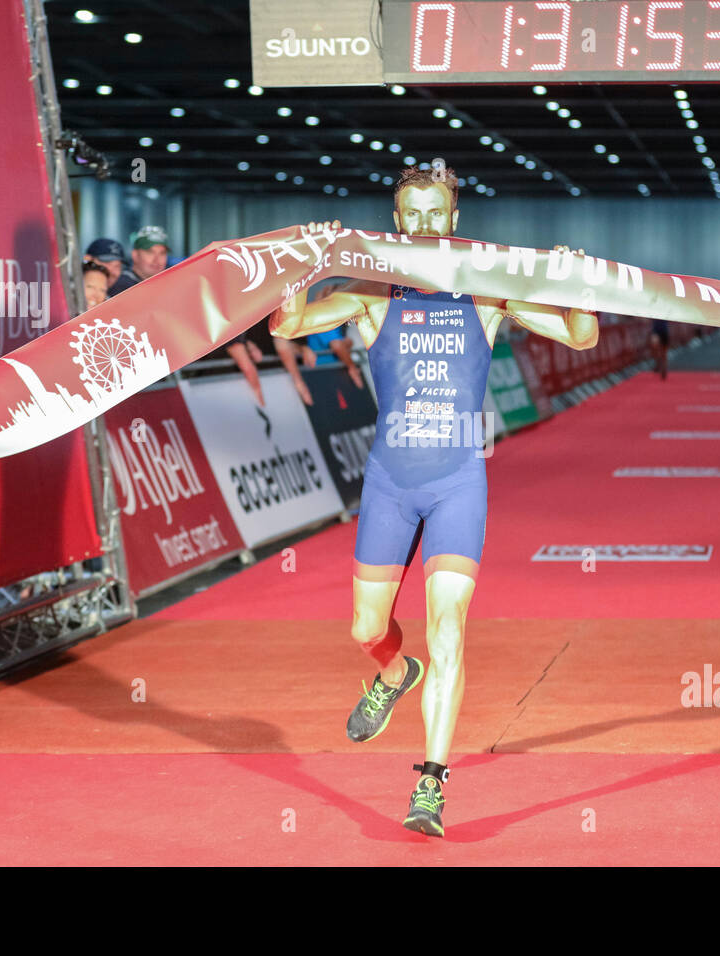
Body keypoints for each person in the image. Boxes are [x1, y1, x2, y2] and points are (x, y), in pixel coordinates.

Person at [270, 160, 598, 837]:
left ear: (454, 221)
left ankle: (430, 785)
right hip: (390, 482)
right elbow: (287, 325)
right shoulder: (373, 293)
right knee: (366, 629)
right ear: (398, 222)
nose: (423, 225)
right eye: (411, 213)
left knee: (449, 627)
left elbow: (579, 334)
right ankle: (395, 671)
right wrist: (307, 263)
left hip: (457, 483)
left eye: (435, 213)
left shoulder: (485, 294)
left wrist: (577, 285)